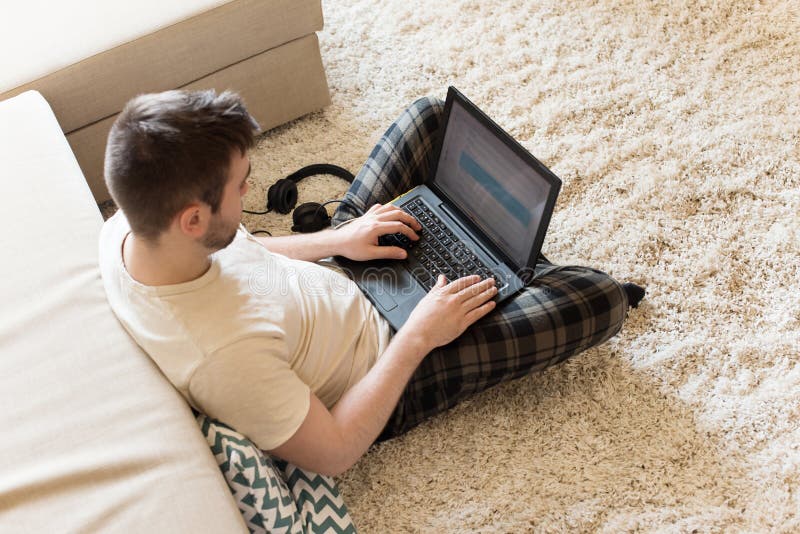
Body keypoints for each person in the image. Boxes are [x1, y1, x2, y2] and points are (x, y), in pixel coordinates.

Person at [99, 89, 644, 477]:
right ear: (192, 220)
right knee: (598, 295)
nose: (250, 195)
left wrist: (340, 240)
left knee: (435, 117)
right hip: (390, 365)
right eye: (241, 188)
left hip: (341, 269)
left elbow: (247, 249)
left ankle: (497, 265)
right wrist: (419, 336)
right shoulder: (223, 358)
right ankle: (510, 276)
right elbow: (335, 451)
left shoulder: (132, 222)